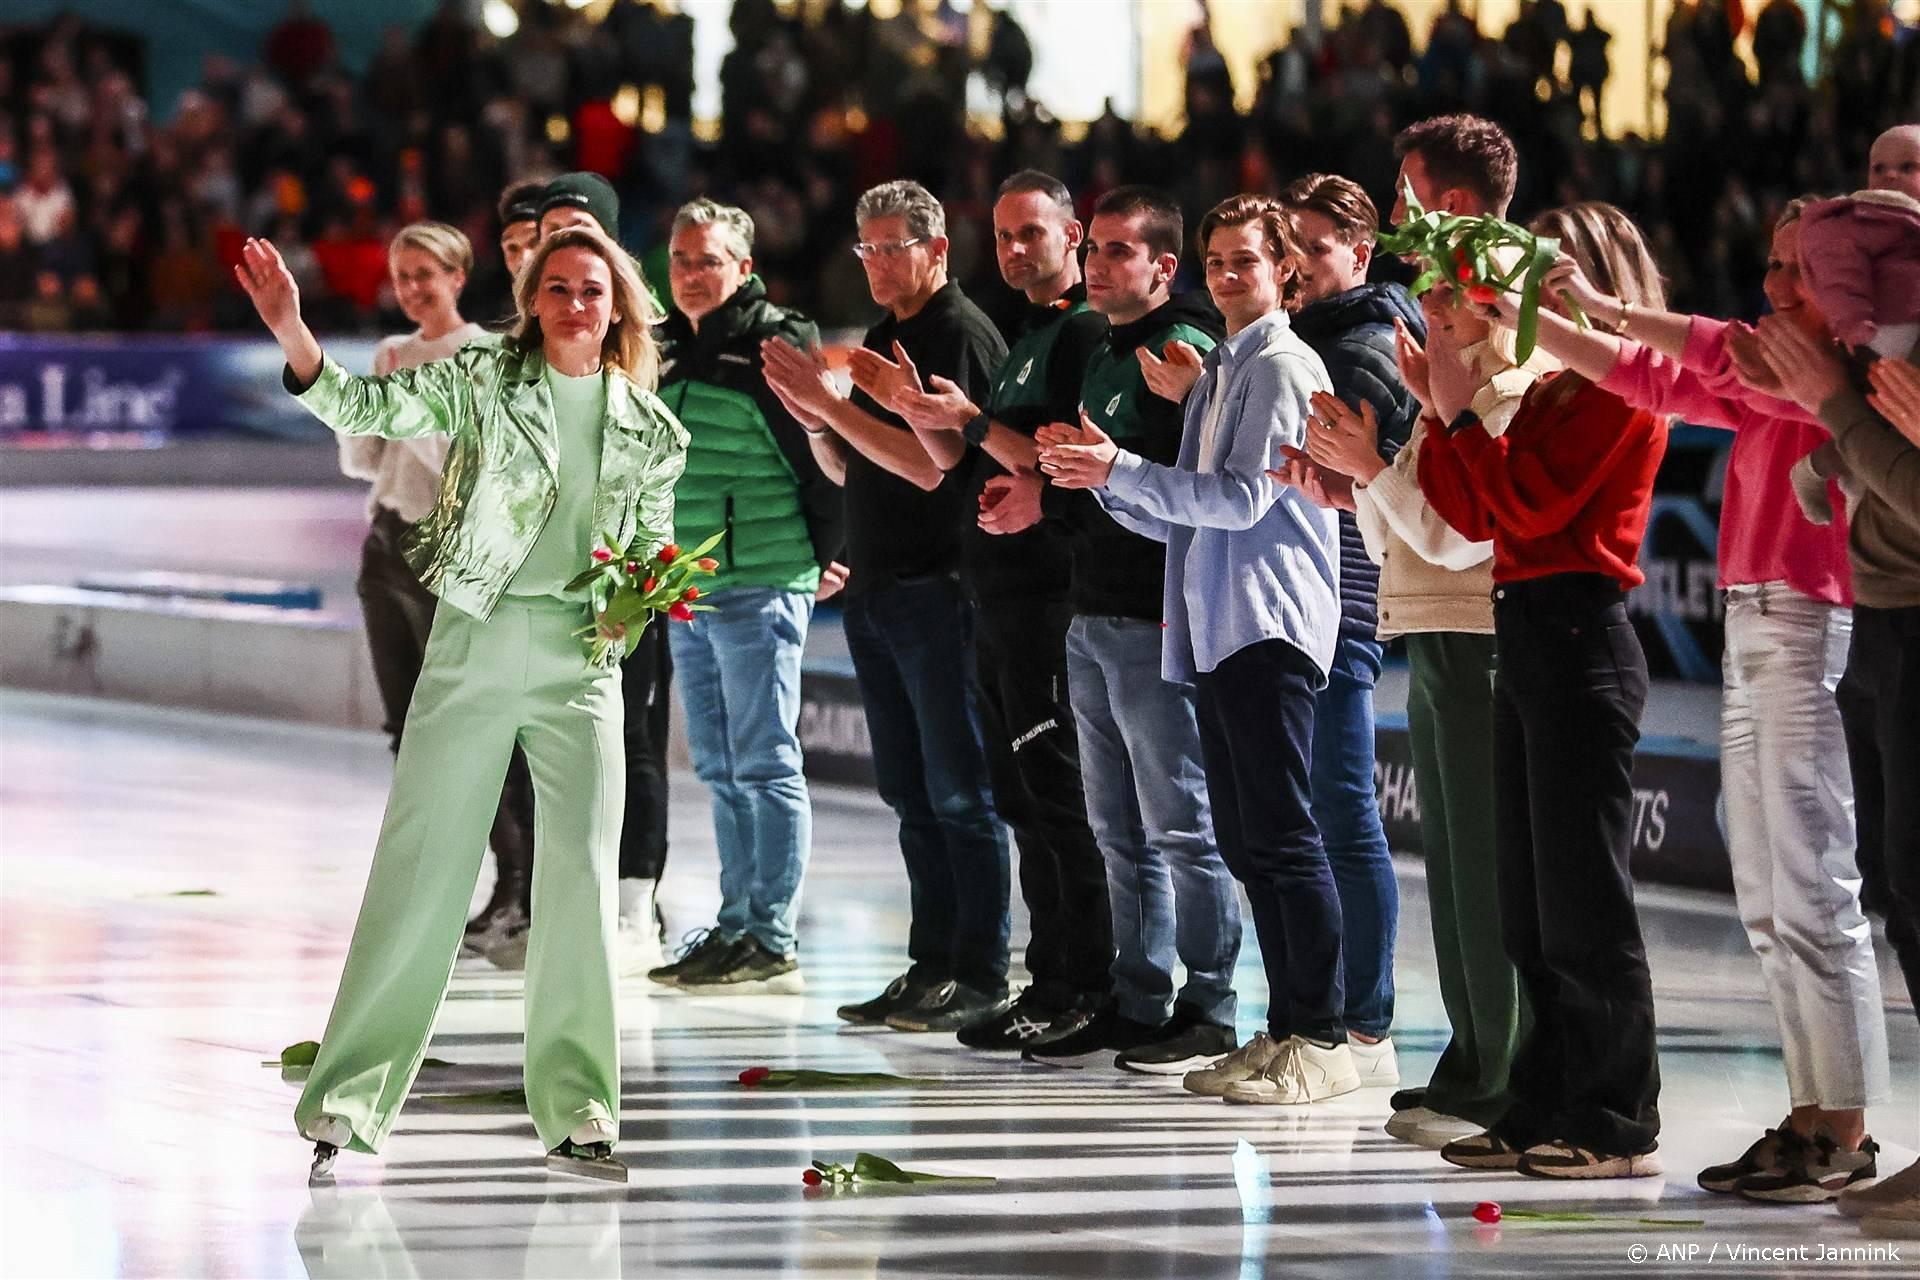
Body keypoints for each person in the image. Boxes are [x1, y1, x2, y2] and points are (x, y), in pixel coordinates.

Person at [237, 222, 688, 1182]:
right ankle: (347, 1099)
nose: (575, 303)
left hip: (583, 666)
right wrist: (295, 334)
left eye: (592, 291)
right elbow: (364, 403)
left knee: (578, 883)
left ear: (617, 309)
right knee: (422, 870)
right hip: (475, 644)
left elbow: (652, 545)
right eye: (558, 287)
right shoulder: (482, 378)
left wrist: (634, 602)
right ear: (531, 300)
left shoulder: (652, 428)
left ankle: (581, 1110)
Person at [1511, 200, 1891, 1204]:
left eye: (1796, 272)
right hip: (1754, 621)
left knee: (1815, 887)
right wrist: (1536, 320)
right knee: (1768, 898)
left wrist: (1591, 307)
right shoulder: (1776, 373)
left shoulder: (1849, 370)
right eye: (1770, 266)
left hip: (1814, 620)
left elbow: (1698, 349)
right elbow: (1654, 377)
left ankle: (1845, 1123)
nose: (1773, 288)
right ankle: (1814, 1110)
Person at [1042, 194, 1351, 1101]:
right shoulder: (1223, 369)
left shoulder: (1283, 366)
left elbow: (1242, 501)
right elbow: (1186, 506)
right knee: (1252, 841)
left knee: (1284, 838)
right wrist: (1104, 479)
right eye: (1215, 262)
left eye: (1243, 262)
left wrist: (1123, 473)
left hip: (1267, 622)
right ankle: (1287, 1024)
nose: (1224, 277)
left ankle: (1321, 1034)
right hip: (1218, 627)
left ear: (1284, 270)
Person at [1419, 201, 1668, 1181]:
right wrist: (1448, 414)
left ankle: (1616, 1115)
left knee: (1583, 902)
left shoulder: (1624, 392)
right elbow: (1468, 509)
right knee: (1528, 904)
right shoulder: (1552, 388)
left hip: (1579, 633)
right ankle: (1546, 1098)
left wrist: (1453, 411)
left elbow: (1524, 500)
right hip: (1524, 624)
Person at [761, 180, 1013, 1033]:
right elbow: (855, 468)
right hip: (879, 588)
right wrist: (816, 421)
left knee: (959, 791)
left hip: (940, 589)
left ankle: (979, 970)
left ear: (937, 250)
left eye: (890, 248)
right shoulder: (884, 335)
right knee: (909, 792)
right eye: (864, 250)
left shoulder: (957, 334)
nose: (873, 263)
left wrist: (834, 407)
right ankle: (929, 963)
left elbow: (929, 465)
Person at [888, 170, 1115, 1051]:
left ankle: (1086, 983)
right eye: (1006, 236)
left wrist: (982, 430)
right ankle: (1048, 976)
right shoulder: (1026, 332)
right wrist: (925, 412)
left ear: (1075, 234)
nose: (1017, 250)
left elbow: (1062, 460)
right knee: (1025, 801)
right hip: (1001, 598)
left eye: (1034, 233)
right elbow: (978, 458)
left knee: (1061, 800)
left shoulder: (1084, 332)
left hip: (1049, 600)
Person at [1022, 186, 1238, 1074]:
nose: (1100, 265)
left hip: (1157, 616)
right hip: (1093, 611)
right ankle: (1139, 994)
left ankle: (1212, 1002)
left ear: (1163, 266)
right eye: (1097, 250)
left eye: (1119, 252)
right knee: (1115, 825)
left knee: (1181, 823)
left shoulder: (1184, 349)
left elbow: (1207, 486)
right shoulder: (1105, 351)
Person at [1743, 208, 1920, 1230]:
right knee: (1899, 882)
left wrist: (1838, 423)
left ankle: (1844, 1120)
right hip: (1885, 626)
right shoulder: (1865, 362)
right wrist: (1835, 448)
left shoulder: (1871, 364)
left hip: (1897, 627)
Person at [643, 198, 840, 991]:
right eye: (681, 261)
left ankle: (771, 931)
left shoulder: (775, 343)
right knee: (721, 766)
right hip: (689, 587)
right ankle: (735, 924)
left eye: (708, 261)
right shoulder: (664, 348)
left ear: (744, 268)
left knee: (764, 761)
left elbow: (824, 456)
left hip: (763, 580)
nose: (692, 275)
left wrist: (828, 555)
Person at [487, 172, 674, 974]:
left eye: (570, 231)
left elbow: (656, 490)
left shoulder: (644, 369)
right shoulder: (500, 372)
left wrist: (632, 597)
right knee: (530, 759)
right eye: (537, 244)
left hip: (615, 603)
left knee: (631, 744)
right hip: (527, 612)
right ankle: (533, 899)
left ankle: (633, 904)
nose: (550, 247)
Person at [334, 221, 535, 958]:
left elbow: (476, 460)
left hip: (451, 554)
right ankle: (441, 879)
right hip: (386, 548)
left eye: (426, 274)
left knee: (471, 726)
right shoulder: (393, 354)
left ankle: (515, 879)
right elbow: (362, 459)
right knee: (407, 730)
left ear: (458, 275)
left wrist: (404, 406)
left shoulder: (486, 354)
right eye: (402, 276)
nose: (413, 288)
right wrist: (368, 402)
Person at [1275, 172, 1421, 1089]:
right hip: (1292, 599)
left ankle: (1365, 1024)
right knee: (1312, 811)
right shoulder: (1303, 339)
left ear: (1360, 253)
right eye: (1285, 247)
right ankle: (1325, 1010)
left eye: (1314, 248)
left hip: (1342, 598)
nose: (1295, 266)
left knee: (1341, 807)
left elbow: (1383, 484)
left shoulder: (1366, 347)